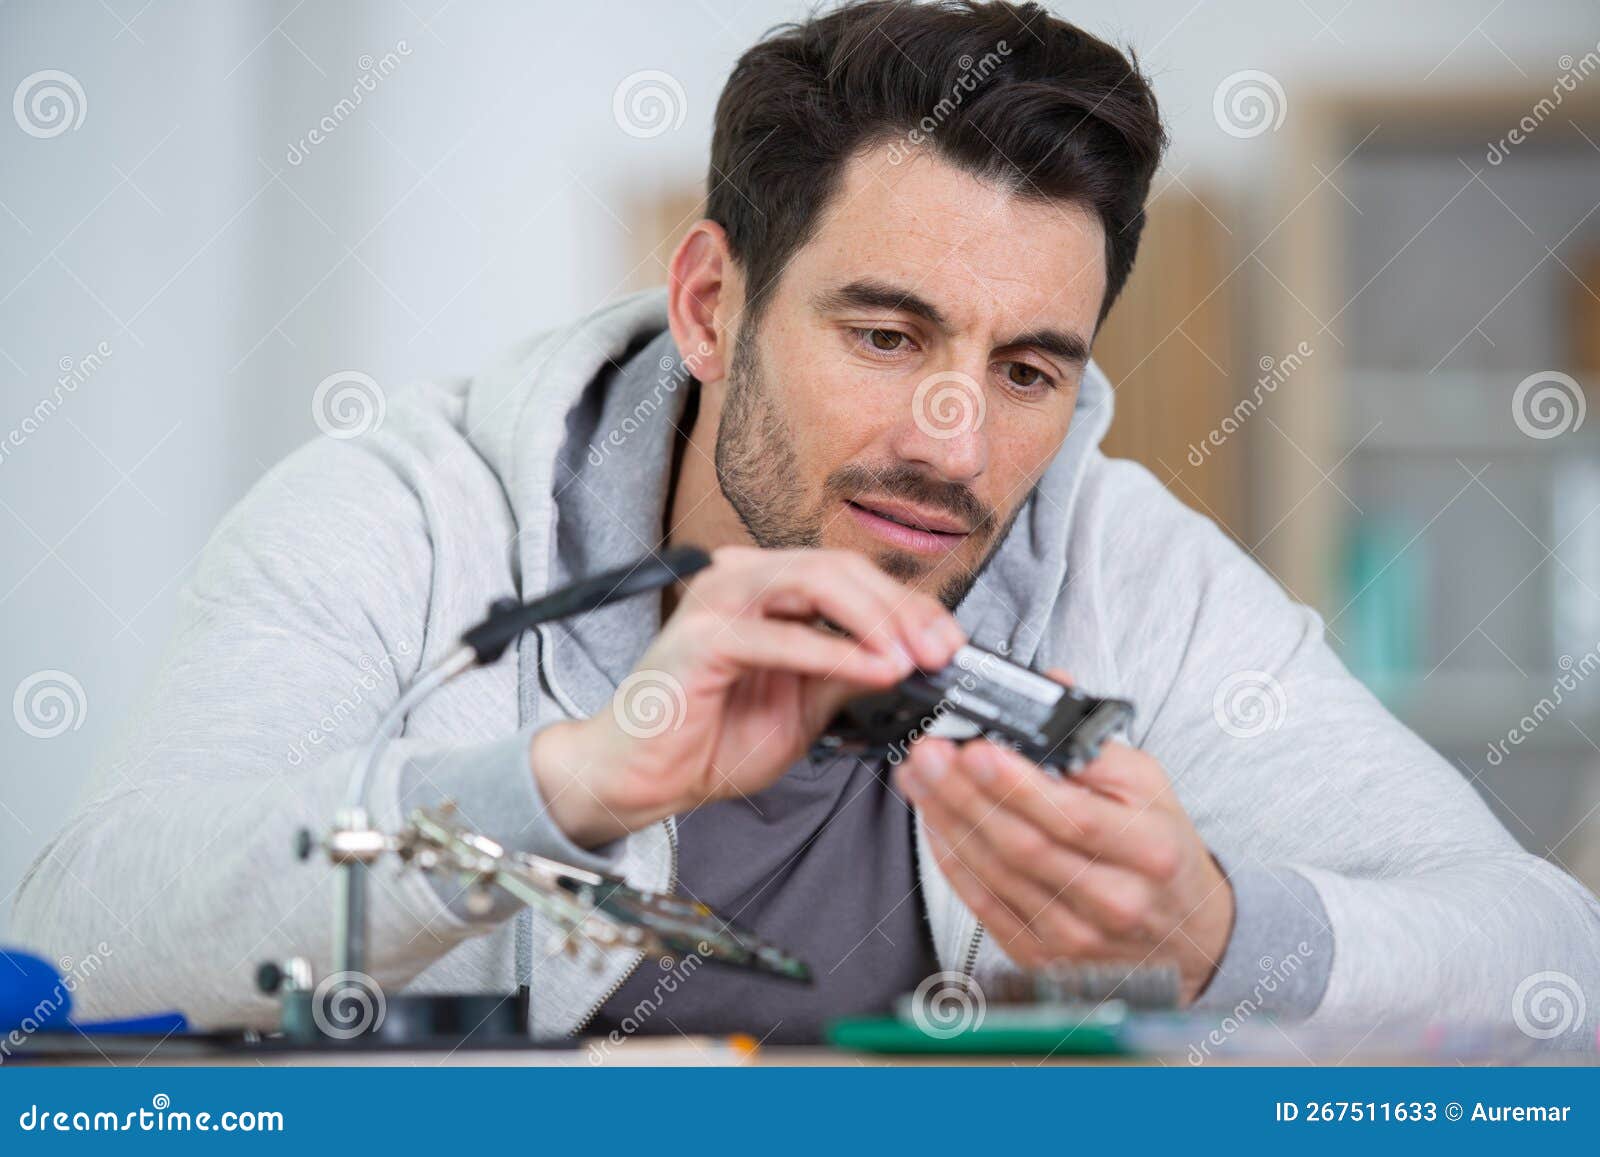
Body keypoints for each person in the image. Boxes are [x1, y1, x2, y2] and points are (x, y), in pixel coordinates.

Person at [14, 0, 1600, 1047]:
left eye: (1030, 365)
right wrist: (560, 787)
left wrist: (1215, 930)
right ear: (713, 303)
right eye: (888, 335)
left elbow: (1559, 974)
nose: (956, 444)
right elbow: (84, 940)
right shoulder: (403, 519)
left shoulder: (1129, 575)